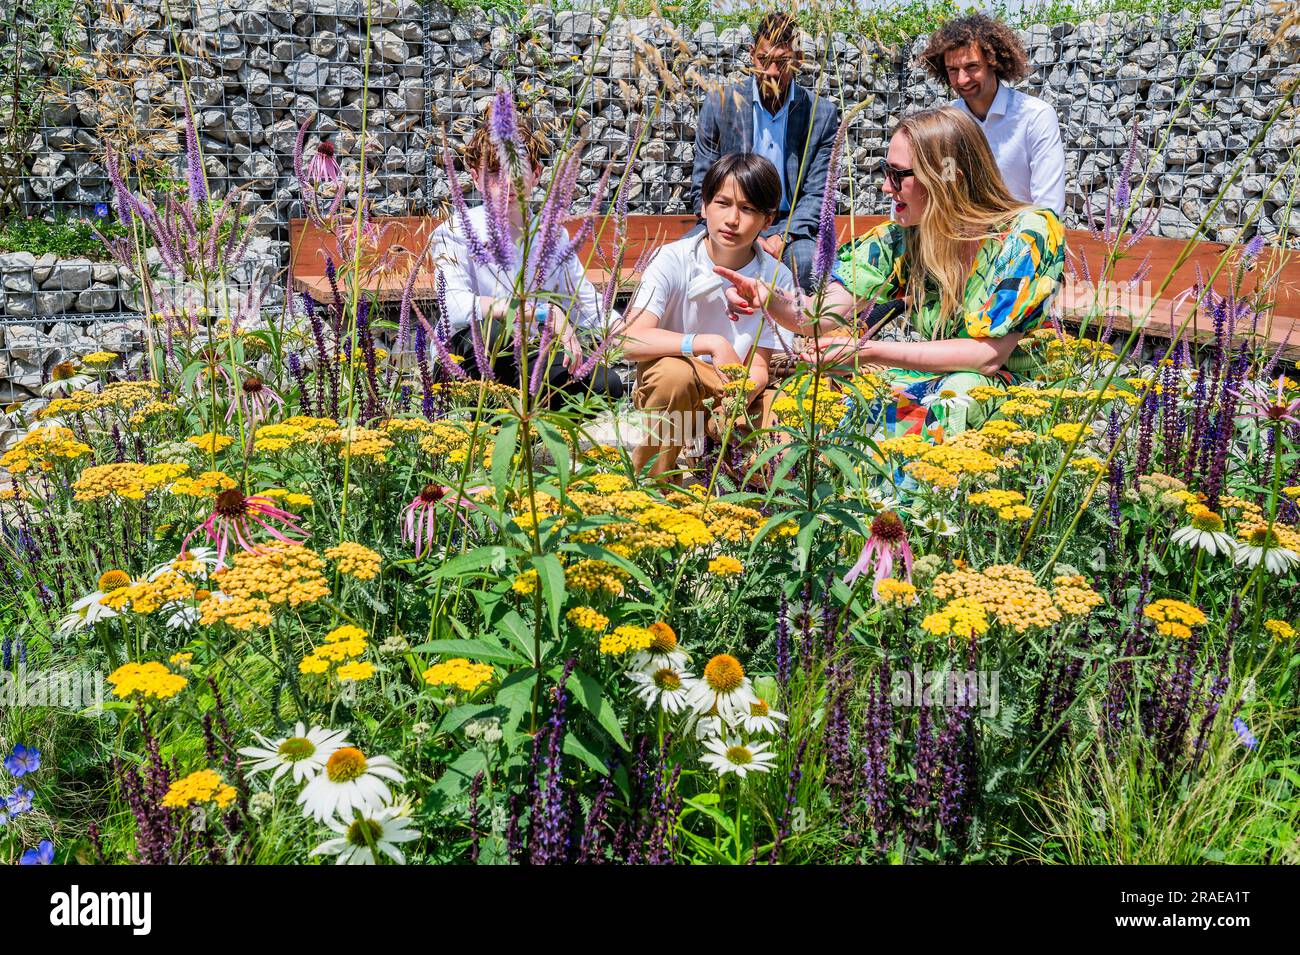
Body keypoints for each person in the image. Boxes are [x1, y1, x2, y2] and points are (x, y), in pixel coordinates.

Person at [716, 106, 1066, 442]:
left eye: (898, 175)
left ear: (948, 179)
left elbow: (987, 356)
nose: (886, 187)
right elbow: (817, 316)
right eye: (886, 170)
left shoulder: (1028, 236)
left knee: (953, 397)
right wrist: (766, 296)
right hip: (937, 378)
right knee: (809, 395)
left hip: (1015, 389)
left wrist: (867, 351)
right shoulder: (901, 238)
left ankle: (912, 504)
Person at [430, 102, 625, 405]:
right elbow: (453, 306)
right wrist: (543, 311)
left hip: (532, 360)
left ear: (536, 174)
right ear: (474, 176)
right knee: (495, 331)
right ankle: (495, 427)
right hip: (466, 360)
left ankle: (534, 432)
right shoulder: (454, 231)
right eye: (494, 173)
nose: (506, 184)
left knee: (607, 385)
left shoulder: (552, 235)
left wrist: (660, 336)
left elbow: (590, 309)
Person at [619, 152, 794, 479]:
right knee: (674, 374)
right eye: (723, 203)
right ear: (704, 206)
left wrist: (736, 399)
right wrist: (707, 342)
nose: (732, 219)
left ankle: (730, 473)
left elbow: (758, 366)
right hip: (676, 388)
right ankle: (652, 487)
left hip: (736, 391)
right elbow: (627, 339)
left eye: (747, 209)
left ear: (768, 220)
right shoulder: (674, 259)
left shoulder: (776, 277)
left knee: (783, 451)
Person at [689, 12, 840, 292]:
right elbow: (703, 184)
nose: (771, 71)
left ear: (798, 58)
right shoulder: (720, 105)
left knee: (806, 263)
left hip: (788, 225)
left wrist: (781, 235)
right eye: (763, 59)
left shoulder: (821, 114)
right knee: (684, 256)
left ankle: (795, 333)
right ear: (750, 55)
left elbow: (819, 193)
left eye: (782, 62)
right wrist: (747, 230)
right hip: (730, 214)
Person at [917, 14, 1066, 217]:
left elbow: (1048, 207)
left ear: (993, 63)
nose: (962, 79)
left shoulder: (1036, 116)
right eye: (953, 69)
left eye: (972, 66)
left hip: (1022, 240)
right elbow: (947, 186)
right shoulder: (947, 122)